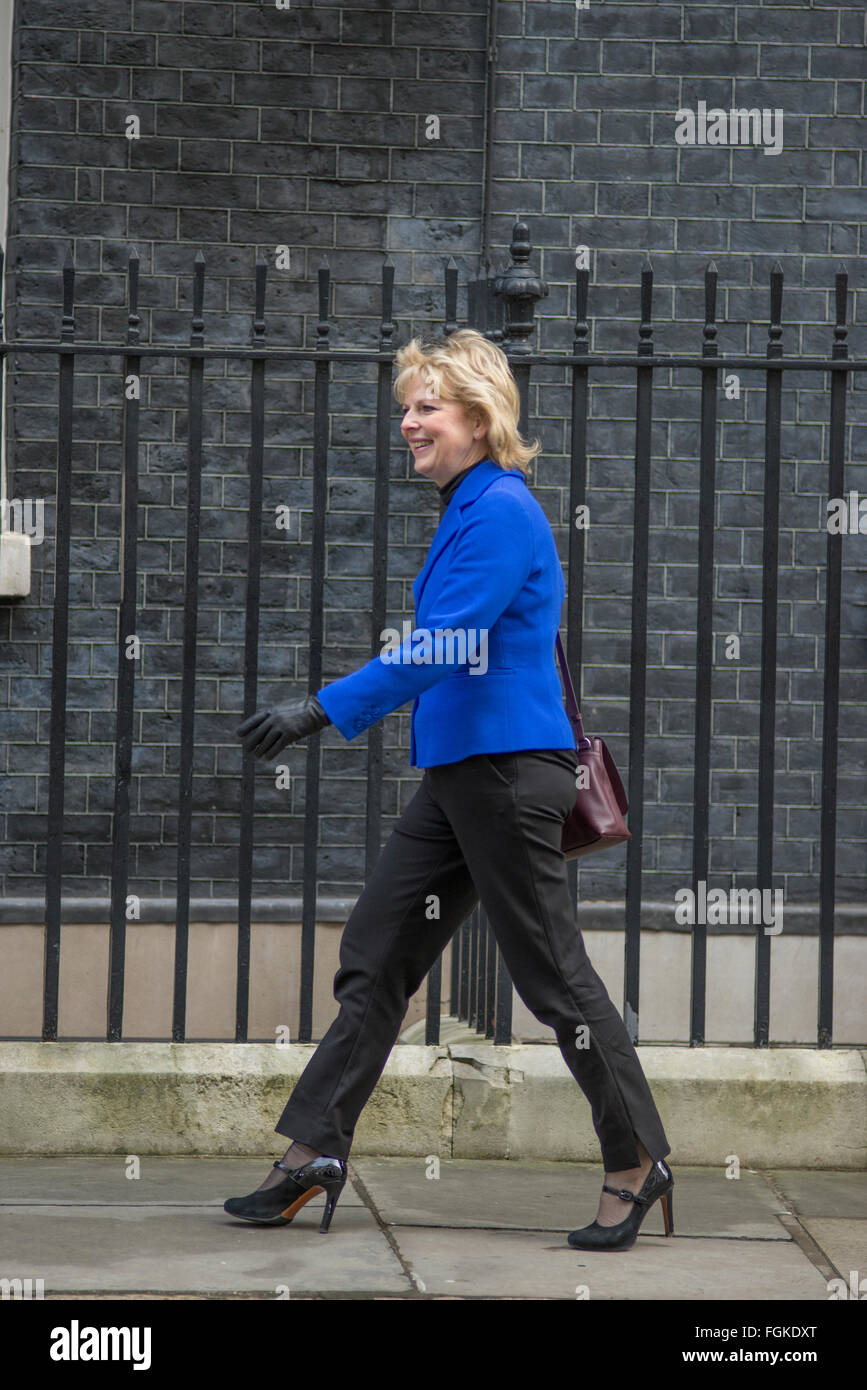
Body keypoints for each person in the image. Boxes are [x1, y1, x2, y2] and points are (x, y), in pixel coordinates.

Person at [224, 328, 674, 1252]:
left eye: (426, 406)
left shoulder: (501, 508)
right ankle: (313, 1150)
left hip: (506, 776)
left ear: (478, 417)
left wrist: (320, 709)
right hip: (463, 778)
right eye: (406, 406)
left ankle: (635, 1163)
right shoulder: (470, 506)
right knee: (378, 954)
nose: (408, 423)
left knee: (553, 978)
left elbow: (444, 642)